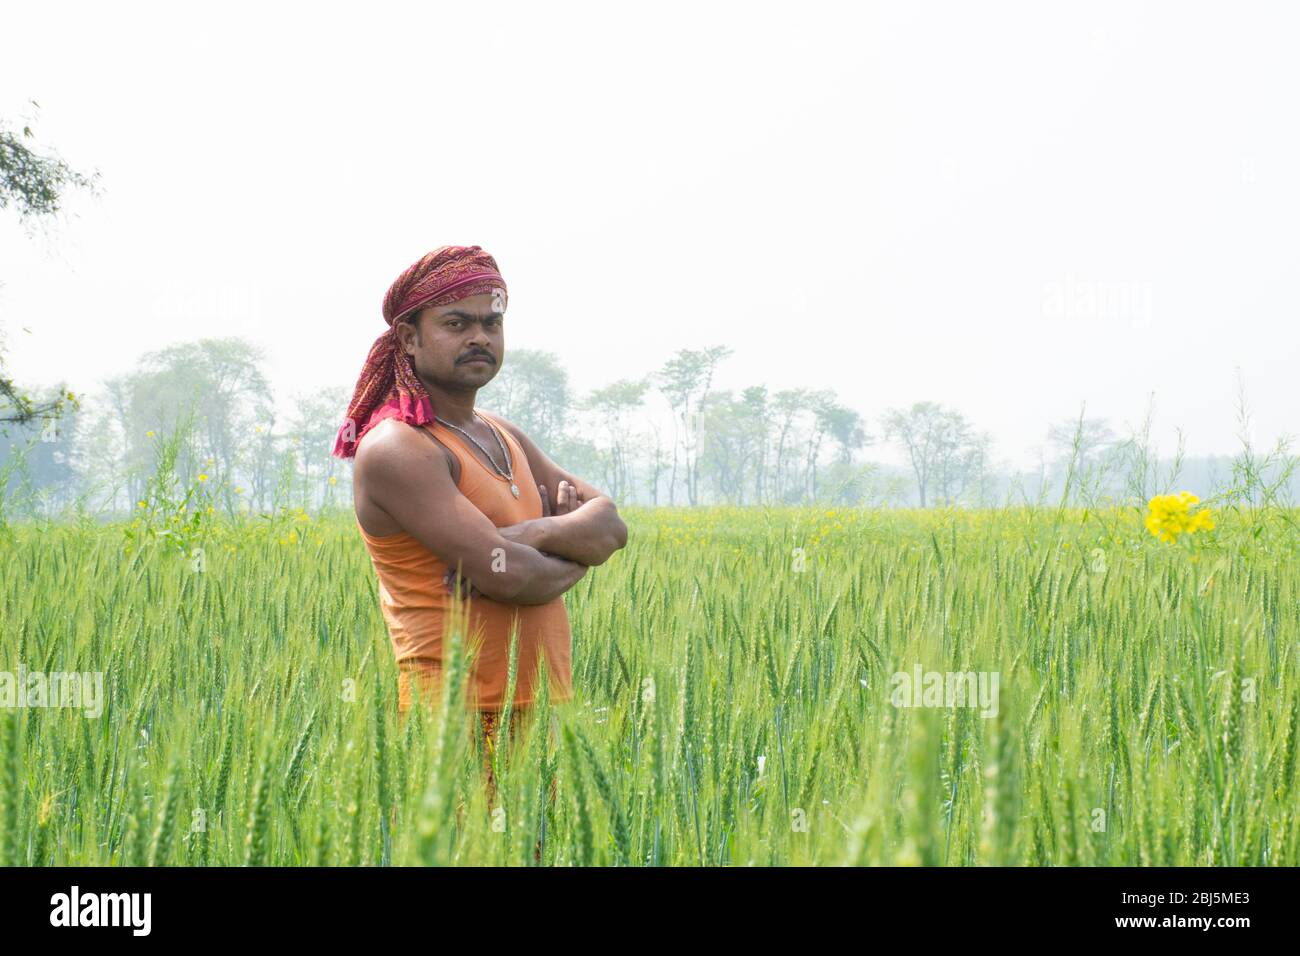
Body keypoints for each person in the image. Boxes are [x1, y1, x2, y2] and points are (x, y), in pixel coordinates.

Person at [334, 245, 628, 821]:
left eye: (492, 323)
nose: (480, 337)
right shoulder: (399, 447)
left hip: (543, 705)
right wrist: (565, 543)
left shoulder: (501, 432)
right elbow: (510, 577)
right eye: (456, 323)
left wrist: (528, 534)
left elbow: (611, 526)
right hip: (457, 715)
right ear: (408, 339)